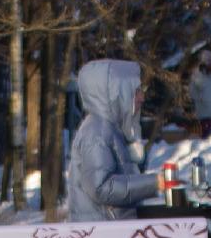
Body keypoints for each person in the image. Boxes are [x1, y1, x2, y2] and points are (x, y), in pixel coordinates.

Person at [66, 59, 161, 222]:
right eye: (135, 91)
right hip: (102, 232)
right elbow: (101, 188)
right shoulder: (97, 132)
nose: (142, 98)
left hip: (112, 229)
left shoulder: (111, 130)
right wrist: (154, 183)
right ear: (116, 93)